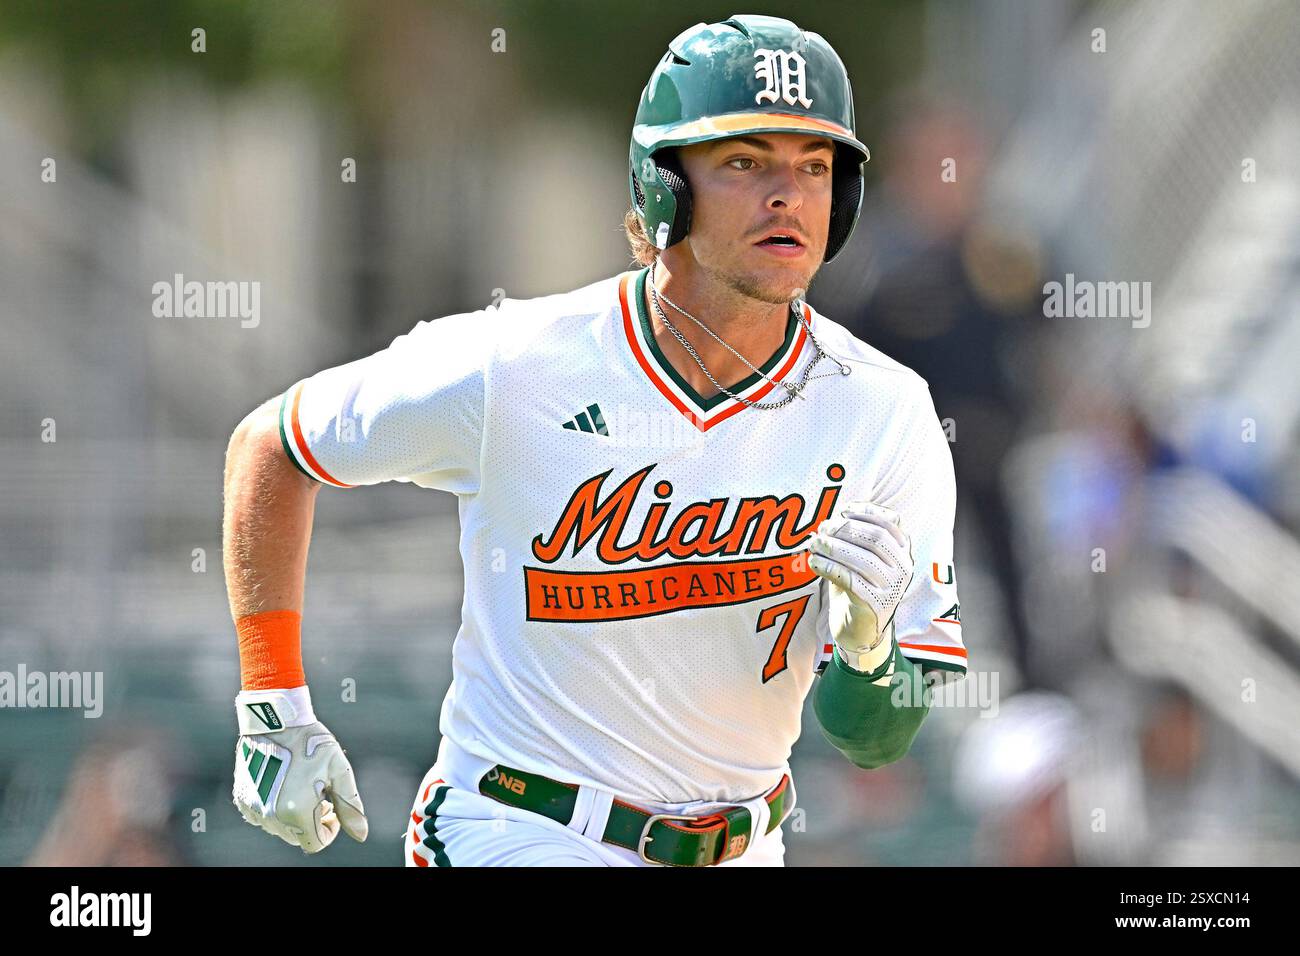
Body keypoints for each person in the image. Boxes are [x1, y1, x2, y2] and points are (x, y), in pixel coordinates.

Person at [222, 13, 965, 868]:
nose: (787, 194)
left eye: (815, 166)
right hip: (523, 827)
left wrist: (871, 649)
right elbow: (271, 449)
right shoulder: (515, 365)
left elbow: (875, 741)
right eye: (744, 161)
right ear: (663, 189)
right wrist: (272, 705)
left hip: (745, 843)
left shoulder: (884, 410)